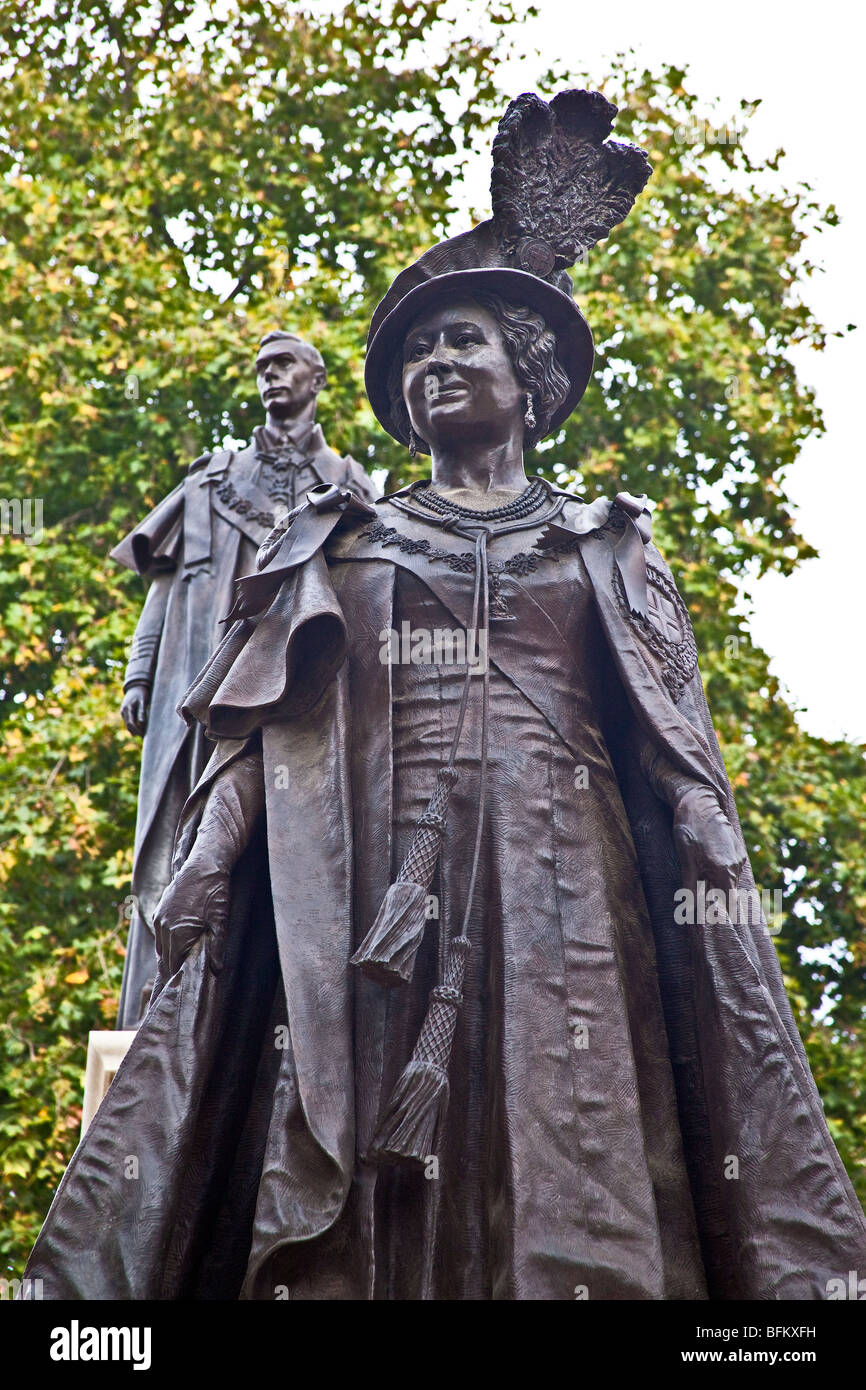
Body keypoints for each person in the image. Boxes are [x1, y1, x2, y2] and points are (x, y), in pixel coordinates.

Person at [25, 88, 866, 1300]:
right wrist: (211, 855)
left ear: (529, 377)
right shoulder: (347, 544)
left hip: (565, 876)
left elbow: (673, 741)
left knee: (566, 1126)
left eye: (459, 342)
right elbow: (268, 725)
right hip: (374, 881)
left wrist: (703, 830)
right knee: (375, 1153)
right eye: (415, 353)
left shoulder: (600, 545)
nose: (431, 366)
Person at [111, 331, 378, 1027]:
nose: (269, 378)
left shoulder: (350, 486)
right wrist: (141, 673)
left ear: (317, 379)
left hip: (296, 698)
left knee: (290, 840)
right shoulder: (210, 481)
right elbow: (163, 590)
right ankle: (163, 1000)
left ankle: (269, 1011)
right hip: (196, 694)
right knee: (181, 835)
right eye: (261, 369)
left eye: (284, 365)